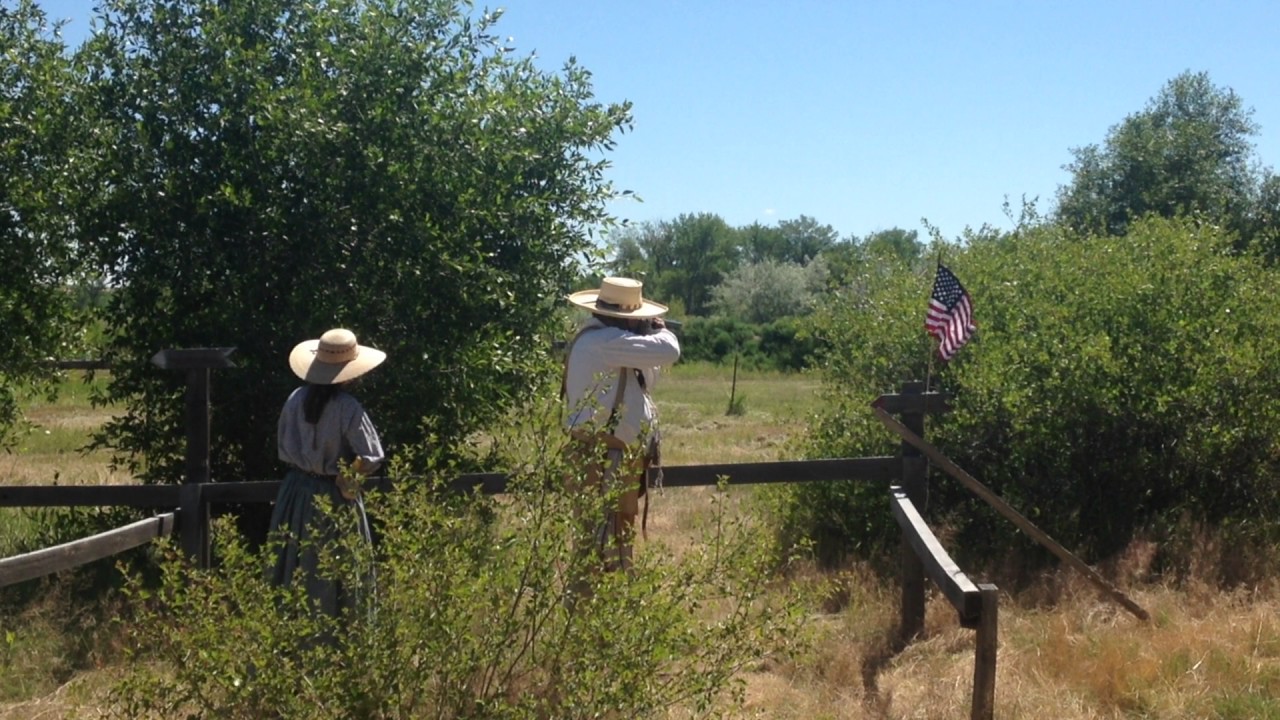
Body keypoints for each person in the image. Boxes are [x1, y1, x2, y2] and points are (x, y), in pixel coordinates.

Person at [563, 277, 680, 574]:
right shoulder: (606, 342)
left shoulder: (604, 341)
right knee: (601, 547)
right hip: (605, 458)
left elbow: (647, 379)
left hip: (606, 454)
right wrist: (659, 329)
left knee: (606, 543)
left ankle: (599, 612)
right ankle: (591, 611)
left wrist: (642, 334)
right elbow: (669, 351)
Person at [268, 327, 386, 617]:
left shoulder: (295, 399)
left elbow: (283, 443)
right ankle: (334, 646)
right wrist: (347, 482)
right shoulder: (348, 407)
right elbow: (372, 456)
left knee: (294, 567)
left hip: (294, 494)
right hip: (331, 499)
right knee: (331, 572)